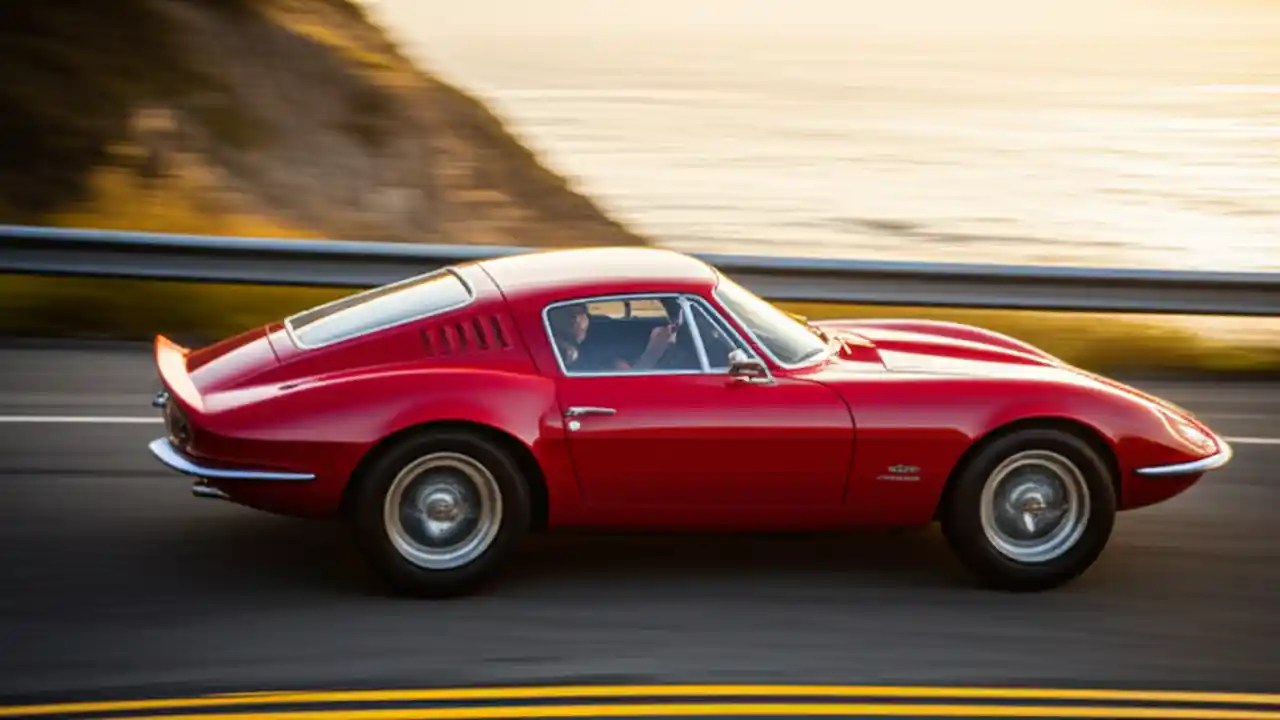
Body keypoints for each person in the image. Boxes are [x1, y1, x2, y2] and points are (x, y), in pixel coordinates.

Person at [548, 303, 676, 371]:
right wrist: (653, 352)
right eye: (569, 315)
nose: (577, 320)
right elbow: (628, 388)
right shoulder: (557, 352)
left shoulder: (593, 346)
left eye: (580, 313)